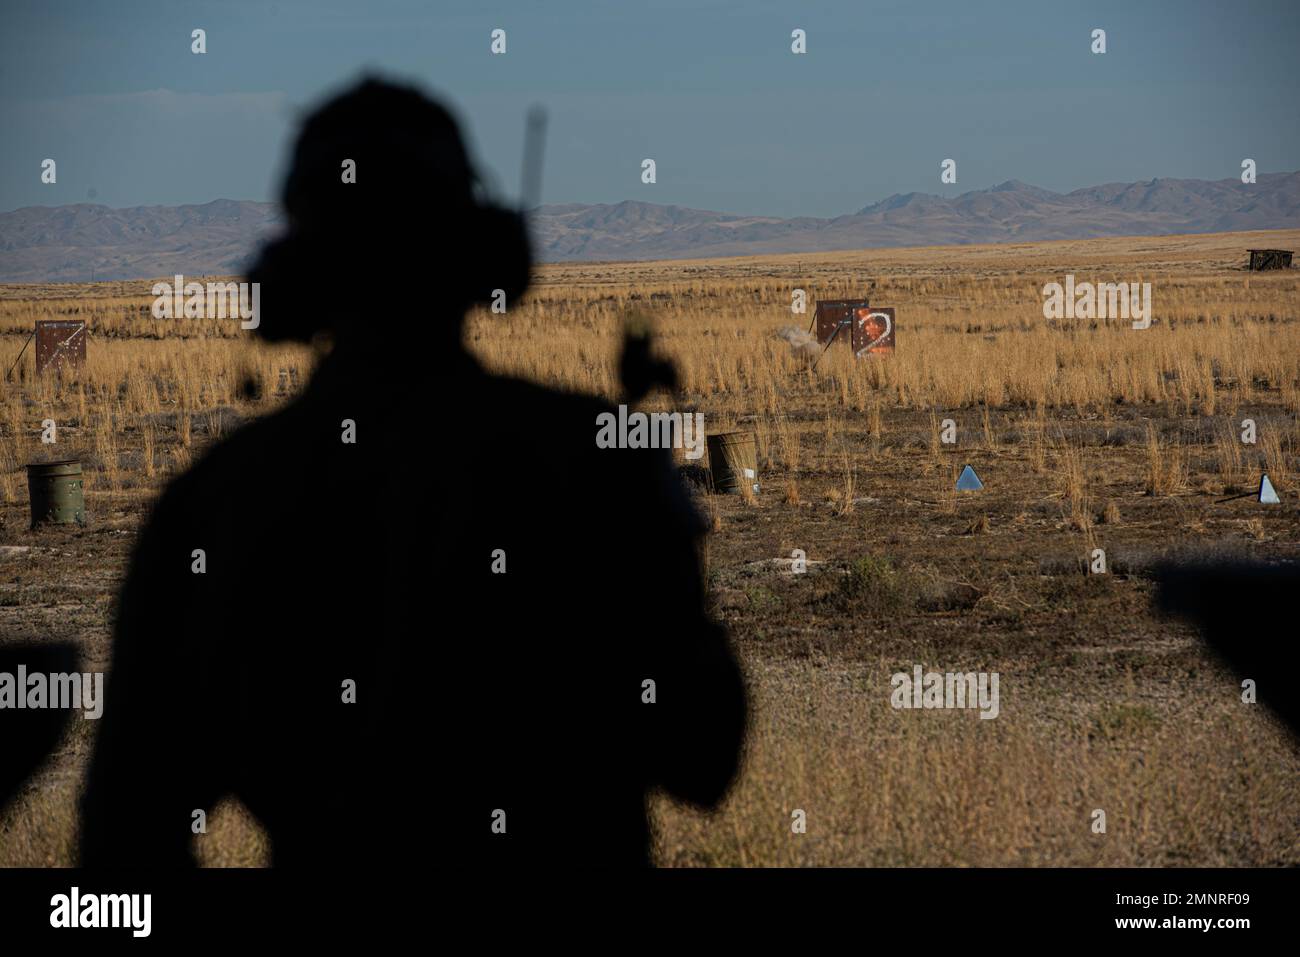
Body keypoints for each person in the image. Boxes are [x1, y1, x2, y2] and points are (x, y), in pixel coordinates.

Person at [80, 77, 747, 867]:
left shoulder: (215, 501)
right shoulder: (592, 456)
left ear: (292, 273)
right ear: (483, 250)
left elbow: (127, 832)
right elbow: (704, 755)